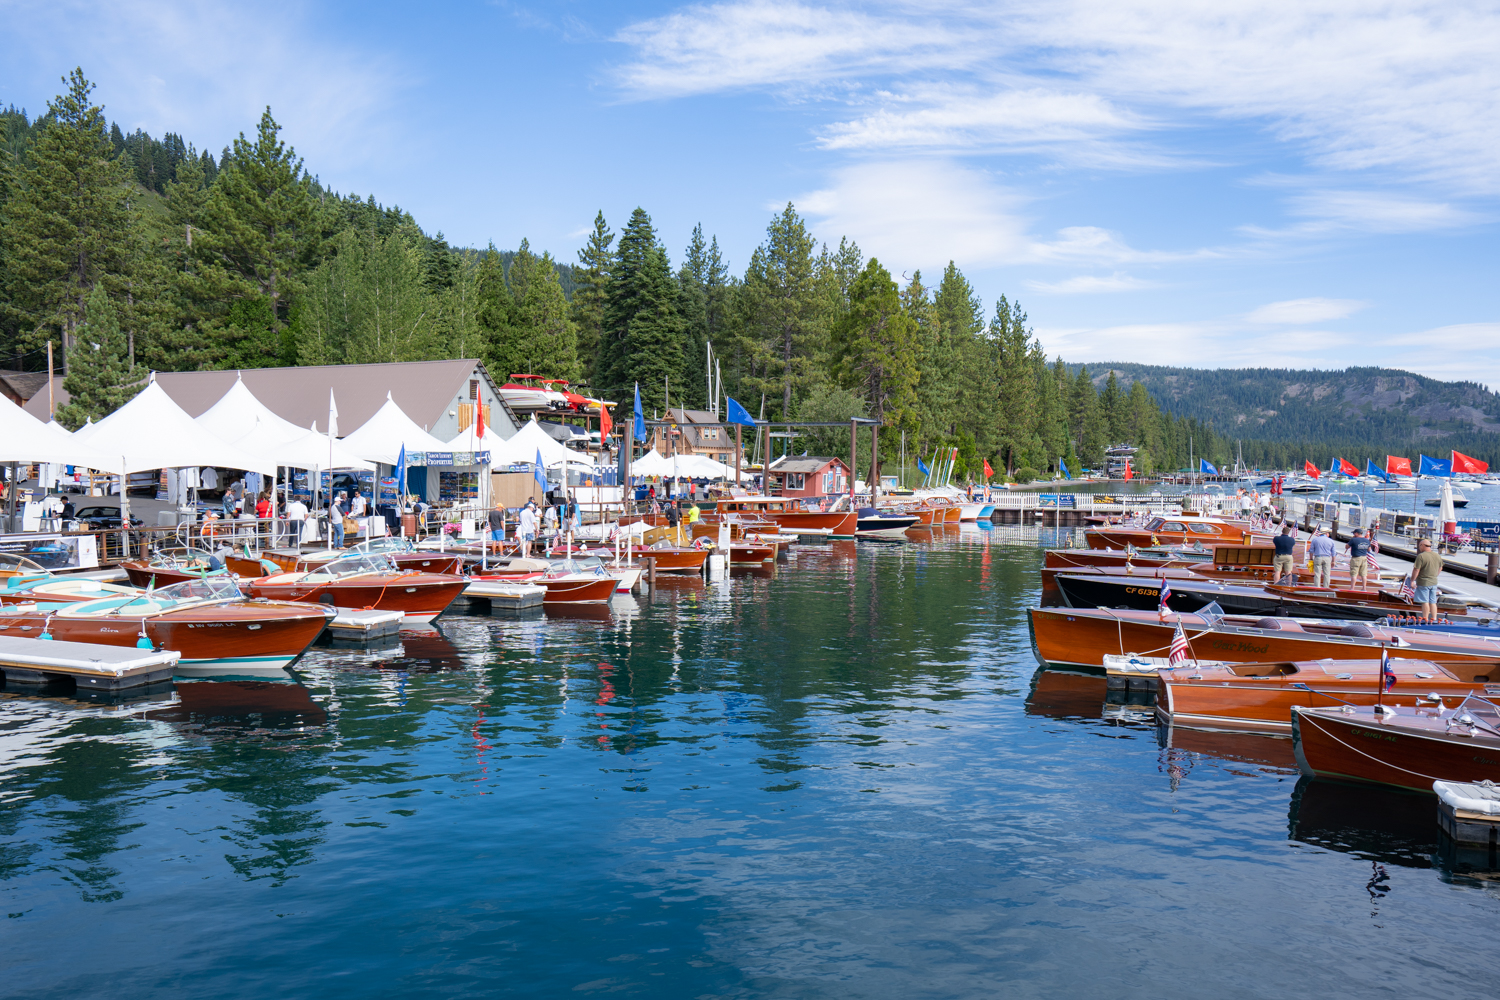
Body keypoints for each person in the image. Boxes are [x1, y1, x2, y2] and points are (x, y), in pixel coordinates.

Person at [1411, 538, 1444, 620]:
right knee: (1433, 601)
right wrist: (1435, 575)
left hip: (1423, 582)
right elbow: (1441, 567)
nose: (1419, 548)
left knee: (1425, 601)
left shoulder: (1421, 556)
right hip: (1434, 582)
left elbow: (1416, 570)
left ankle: (1425, 618)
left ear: (1422, 545)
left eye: (1419, 546)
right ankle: (1434, 618)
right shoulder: (1437, 555)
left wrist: (1412, 581)